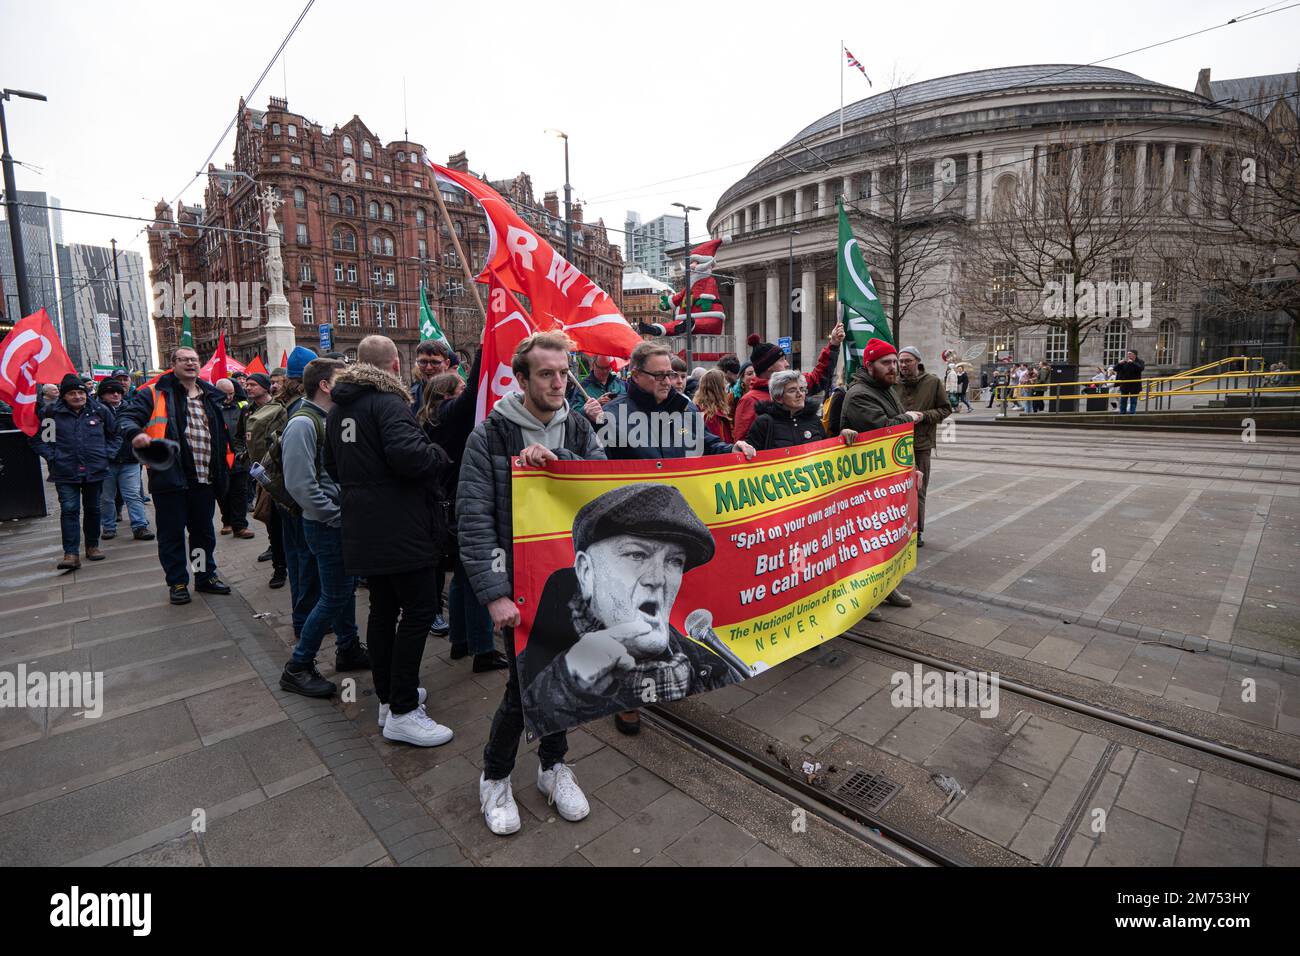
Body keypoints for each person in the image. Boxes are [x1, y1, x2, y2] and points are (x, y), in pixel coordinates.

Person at [458, 331, 606, 836]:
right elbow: (474, 518)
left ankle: (552, 767)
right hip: (517, 588)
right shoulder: (491, 435)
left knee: (565, 678)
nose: (559, 382)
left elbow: (601, 486)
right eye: (547, 373)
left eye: (565, 372)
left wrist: (562, 465)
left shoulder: (579, 428)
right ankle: (495, 777)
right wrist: (494, 593)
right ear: (520, 379)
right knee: (524, 689)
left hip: (571, 581)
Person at [598, 340, 756, 736]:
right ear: (635, 374)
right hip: (632, 536)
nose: (668, 380)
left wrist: (730, 447)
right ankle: (629, 700)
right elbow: (591, 469)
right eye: (659, 374)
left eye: (671, 373)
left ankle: (668, 675)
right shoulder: (613, 414)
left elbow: (705, 445)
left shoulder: (685, 408)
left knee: (673, 608)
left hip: (676, 528)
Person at [518, 484, 745, 733]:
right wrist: (565, 682)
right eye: (637, 555)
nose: (658, 579)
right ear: (586, 571)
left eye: (674, 560)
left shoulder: (709, 667)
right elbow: (524, 711)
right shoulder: (543, 653)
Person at [324, 334, 454, 746]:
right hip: (400, 526)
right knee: (419, 610)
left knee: (382, 611)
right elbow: (409, 457)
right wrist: (438, 455)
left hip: (363, 525)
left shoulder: (338, 407)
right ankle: (402, 710)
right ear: (396, 365)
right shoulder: (388, 402)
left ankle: (389, 697)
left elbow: (330, 464)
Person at [280, 358, 371, 697]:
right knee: (333, 596)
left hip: (335, 521)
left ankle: (348, 648)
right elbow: (300, 484)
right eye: (343, 379)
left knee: (343, 591)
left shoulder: (325, 418)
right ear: (325, 385)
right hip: (326, 524)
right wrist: (334, 514)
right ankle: (298, 665)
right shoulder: (303, 424)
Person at [118, 347, 234, 605]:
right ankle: (178, 582)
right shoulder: (153, 392)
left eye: (194, 360)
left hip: (205, 478)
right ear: (173, 364)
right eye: (184, 360)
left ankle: (204, 576)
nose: (190, 363)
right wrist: (135, 434)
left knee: (203, 533)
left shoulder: (209, 395)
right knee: (171, 535)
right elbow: (125, 417)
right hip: (169, 479)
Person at [417, 357, 508, 673]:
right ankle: (483, 650)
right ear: (447, 395)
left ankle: (459, 640)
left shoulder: (431, 418)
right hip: (460, 503)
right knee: (474, 579)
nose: (465, 394)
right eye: (458, 389)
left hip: (445, 504)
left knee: (459, 577)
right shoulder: (449, 414)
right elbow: (472, 394)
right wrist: (485, 346)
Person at [841, 338, 924, 622]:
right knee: (866, 542)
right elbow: (883, 431)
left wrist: (911, 469)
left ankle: (888, 587)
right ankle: (863, 599)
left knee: (888, 537)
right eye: (885, 363)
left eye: (893, 362)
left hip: (886, 482)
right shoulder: (860, 395)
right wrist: (908, 418)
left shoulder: (885, 389)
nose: (893, 368)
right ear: (869, 366)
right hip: (865, 486)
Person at [30, 374, 117, 569]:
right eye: (72, 393)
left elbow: (115, 435)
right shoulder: (51, 413)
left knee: (93, 509)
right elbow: (41, 440)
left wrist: (107, 455)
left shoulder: (99, 411)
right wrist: (52, 457)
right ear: (64, 396)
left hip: (95, 469)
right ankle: (71, 553)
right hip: (65, 471)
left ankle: (92, 546)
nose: (78, 396)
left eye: (81, 392)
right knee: (69, 510)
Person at [275, 347, 322, 639]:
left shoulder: (284, 403)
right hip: (298, 500)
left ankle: (300, 617)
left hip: (284, 498)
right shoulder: (302, 410)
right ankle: (305, 623)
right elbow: (302, 474)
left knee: (296, 559)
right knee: (307, 562)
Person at [733, 324, 844, 440]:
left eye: (801, 390)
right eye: (781, 360)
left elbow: (819, 376)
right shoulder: (749, 400)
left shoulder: (797, 384)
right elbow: (743, 443)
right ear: (769, 366)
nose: (787, 364)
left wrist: (834, 344)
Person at [897, 347, 952, 548]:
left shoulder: (932, 382)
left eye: (907, 361)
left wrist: (924, 416)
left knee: (918, 488)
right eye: (900, 361)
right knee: (896, 490)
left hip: (921, 443)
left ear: (917, 361)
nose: (903, 365)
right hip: (896, 443)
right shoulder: (893, 383)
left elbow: (946, 408)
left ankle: (917, 530)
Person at [93, 378, 154, 542]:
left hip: (130, 460)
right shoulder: (94, 410)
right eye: (110, 391)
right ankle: (108, 527)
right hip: (106, 462)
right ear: (102, 394)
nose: (115, 394)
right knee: (106, 497)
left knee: (133, 495)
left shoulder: (131, 409)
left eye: (118, 391)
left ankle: (140, 526)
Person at [748, 369, 859, 450]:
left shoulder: (814, 420)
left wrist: (842, 438)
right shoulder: (764, 423)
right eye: (792, 390)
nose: (800, 394)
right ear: (778, 397)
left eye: (801, 389)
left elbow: (827, 452)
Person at [214, 378, 254, 539]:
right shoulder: (211, 407)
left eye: (232, 393)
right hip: (220, 458)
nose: (229, 397)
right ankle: (227, 521)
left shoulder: (242, 406)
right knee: (223, 492)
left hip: (238, 457)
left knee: (240, 492)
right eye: (226, 394)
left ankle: (240, 526)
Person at [411, 338, 453, 414]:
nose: (429, 367)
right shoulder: (411, 397)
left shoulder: (457, 393)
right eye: (423, 362)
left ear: (447, 364)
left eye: (435, 362)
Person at [695, 368, 735, 443]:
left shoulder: (699, 410)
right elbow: (717, 446)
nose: (726, 392)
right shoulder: (712, 418)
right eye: (724, 388)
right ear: (719, 390)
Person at [1114, 350, 1145, 414]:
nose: (1128, 355)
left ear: (1134, 355)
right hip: (1125, 385)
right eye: (1128, 354)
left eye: (1130, 354)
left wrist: (1133, 363)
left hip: (1135, 385)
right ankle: (1122, 413)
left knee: (1133, 401)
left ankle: (1132, 413)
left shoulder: (1140, 362)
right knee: (1123, 400)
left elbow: (1141, 368)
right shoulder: (1125, 362)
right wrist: (1119, 364)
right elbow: (1115, 369)